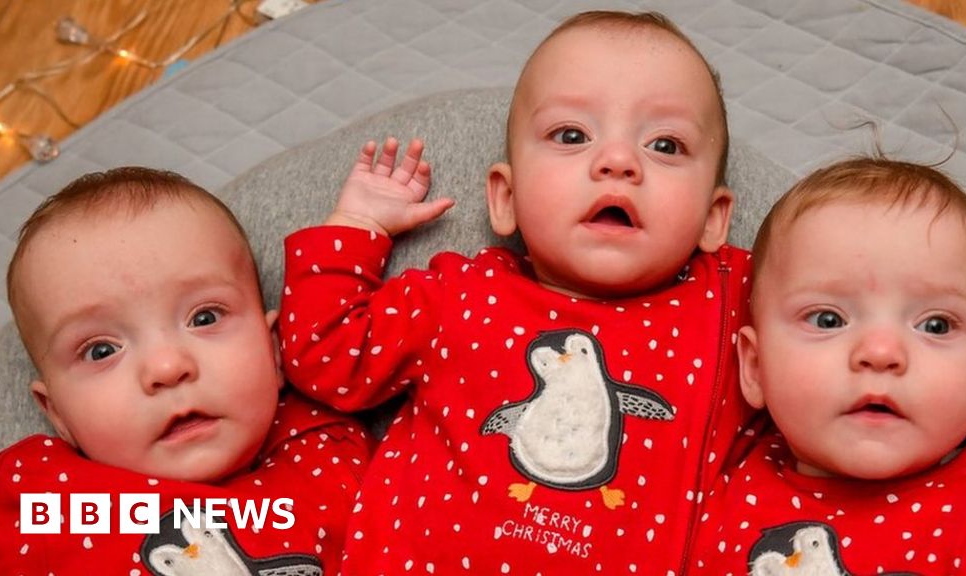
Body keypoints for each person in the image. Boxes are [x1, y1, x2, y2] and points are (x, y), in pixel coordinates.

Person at [279, 10, 755, 574]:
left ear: (713, 217)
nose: (619, 162)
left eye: (666, 145)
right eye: (572, 135)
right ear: (505, 198)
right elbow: (326, 356)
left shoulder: (736, 301)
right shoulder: (460, 294)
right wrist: (357, 225)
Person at [0, 167, 373, 575]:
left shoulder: (319, 449)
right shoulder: (40, 494)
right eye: (101, 350)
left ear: (273, 350)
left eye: (205, 317)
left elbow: (333, 338)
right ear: (58, 414)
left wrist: (359, 227)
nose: (167, 368)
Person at [689, 158, 966, 575]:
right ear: (754, 367)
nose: (881, 353)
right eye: (828, 320)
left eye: (935, 325)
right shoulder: (709, 477)